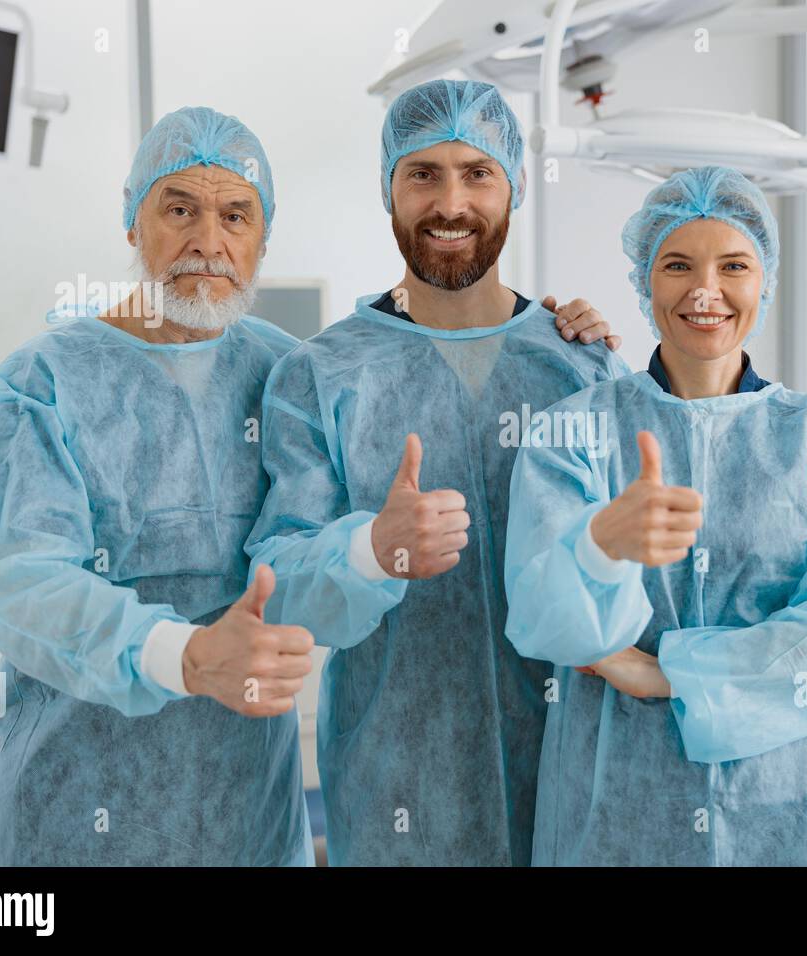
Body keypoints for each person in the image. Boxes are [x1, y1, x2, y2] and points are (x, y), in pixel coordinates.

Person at [246, 79, 631, 866]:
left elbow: (639, 576)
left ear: (514, 187)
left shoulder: (584, 367)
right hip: (400, 788)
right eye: (423, 173)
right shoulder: (320, 375)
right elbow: (279, 583)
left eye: (476, 172)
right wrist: (370, 549)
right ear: (387, 189)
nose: (450, 202)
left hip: (575, 775)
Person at [504, 165, 807, 865]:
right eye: (677, 264)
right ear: (644, 282)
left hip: (789, 802)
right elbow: (540, 616)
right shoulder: (575, 433)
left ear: (764, 281)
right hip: (613, 806)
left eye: (733, 266)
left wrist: (671, 673)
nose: (704, 290)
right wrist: (600, 543)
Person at [0, 107, 320, 865]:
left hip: (243, 811)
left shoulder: (291, 377)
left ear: (263, 238)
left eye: (235, 215)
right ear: (134, 224)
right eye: (179, 209)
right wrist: (183, 655)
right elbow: (21, 582)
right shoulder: (45, 382)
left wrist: (544, 326)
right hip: (73, 800)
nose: (208, 242)